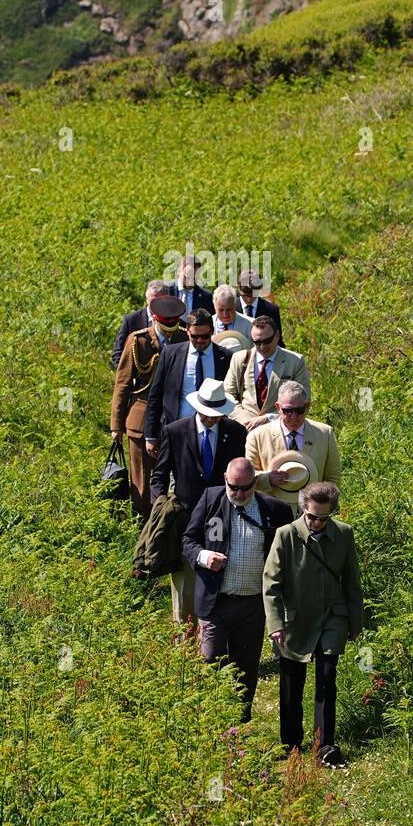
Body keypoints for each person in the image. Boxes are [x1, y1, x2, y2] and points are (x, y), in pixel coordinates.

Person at [183, 458, 293, 720]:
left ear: (255, 482)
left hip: (253, 604)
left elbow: (287, 558)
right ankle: (210, 719)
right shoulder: (211, 500)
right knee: (210, 660)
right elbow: (188, 540)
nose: (239, 493)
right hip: (216, 600)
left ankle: (240, 724)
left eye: (246, 488)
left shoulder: (275, 510)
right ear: (225, 479)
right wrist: (203, 557)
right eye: (234, 487)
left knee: (245, 667)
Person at [263, 481, 363, 768]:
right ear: (302, 509)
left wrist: (354, 623)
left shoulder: (344, 534)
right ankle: (291, 742)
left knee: (327, 679)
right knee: (292, 683)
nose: (317, 523)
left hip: (332, 616)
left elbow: (352, 581)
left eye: (323, 518)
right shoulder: (285, 535)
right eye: (311, 517)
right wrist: (275, 624)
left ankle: (324, 744)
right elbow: (271, 583)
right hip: (295, 619)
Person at [150, 380, 247, 625]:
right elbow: (159, 475)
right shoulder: (175, 431)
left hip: (221, 514)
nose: (211, 419)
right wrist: (160, 509)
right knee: (184, 581)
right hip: (184, 515)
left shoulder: (235, 433)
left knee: (220, 572)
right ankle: (185, 638)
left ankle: (215, 637)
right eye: (208, 414)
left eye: (216, 415)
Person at [110, 294, 187, 519]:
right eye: (166, 322)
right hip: (141, 417)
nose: (171, 326)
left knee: (172, 476)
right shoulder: (138, 341)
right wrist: (116, 425)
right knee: (141, 481)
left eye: (175, 321)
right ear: (154, 318)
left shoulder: (183, 338)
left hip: (174, 417)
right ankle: (142, 526)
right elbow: (122, 384)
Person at [144, 309, 233, 453]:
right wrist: (150, 436)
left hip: (214, 431)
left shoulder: (226, 357)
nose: (199, 341)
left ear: (212, 331)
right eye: (195, 336)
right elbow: (156, 394)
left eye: (204, 336)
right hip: (177, 429)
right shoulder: (171, 353)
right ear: (187, 331)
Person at [246, 381, 341, 504]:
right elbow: (248, 477)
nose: (294, 416)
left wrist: (321, 507)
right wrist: (268, 478)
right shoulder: (257, 436)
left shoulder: (324, 434)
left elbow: (332, 477)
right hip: (271, 508)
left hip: (311, 512)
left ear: (307, 407)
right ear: (278, 407)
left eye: (299, 410)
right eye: (288, 411)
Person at [224, 315, 309, 429]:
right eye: (257, 342)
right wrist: (244, 419)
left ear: (277, 336)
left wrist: (270, 418)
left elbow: (304, 399)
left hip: (279, 428)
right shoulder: (239, 358)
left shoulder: (295, 361)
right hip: (245, 427)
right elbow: (227, 394)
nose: (262, 346)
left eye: (267, 341)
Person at [111, 280, 170, 369]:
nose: (157, 305)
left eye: (161, 301)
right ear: (146, 299)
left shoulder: (175, 322)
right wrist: (126, 375)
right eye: (153, 300)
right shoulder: (131, 320)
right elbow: (118, 352)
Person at [236, 268, 282, 341]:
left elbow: (278, 341)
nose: (249, 299)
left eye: (253, 295)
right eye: (245, 295)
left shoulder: (271, 310)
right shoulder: (230, 309)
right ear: (238, 289)